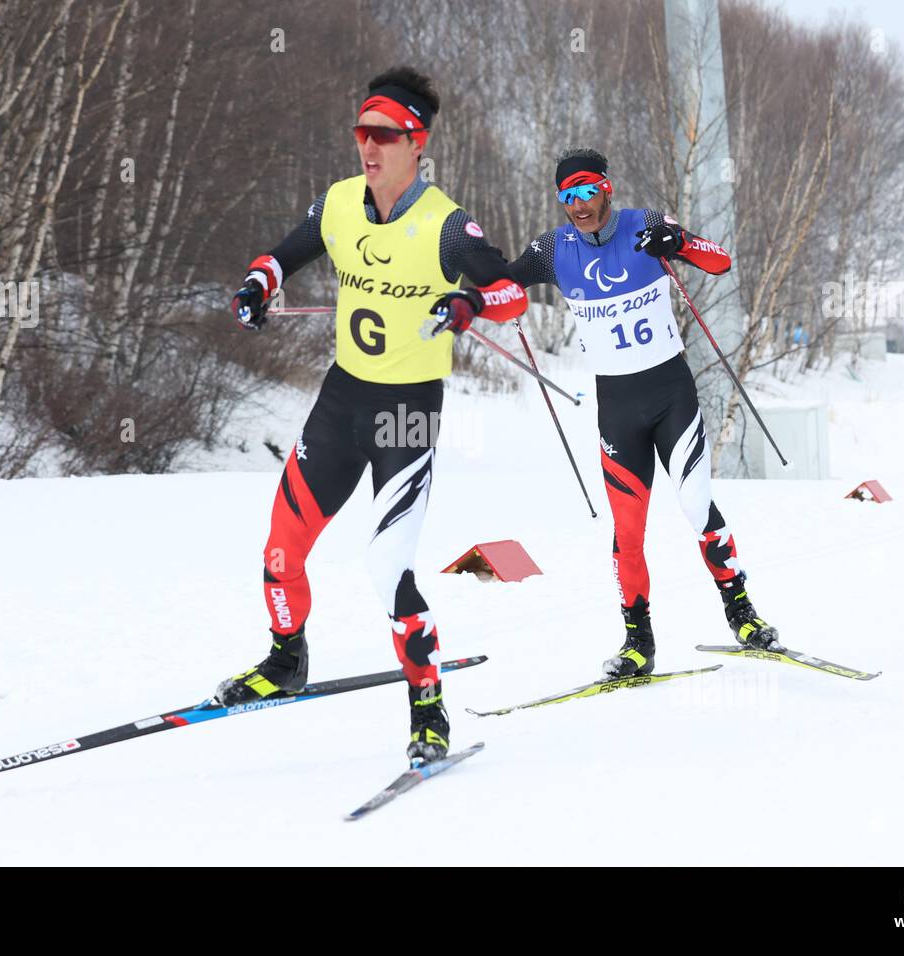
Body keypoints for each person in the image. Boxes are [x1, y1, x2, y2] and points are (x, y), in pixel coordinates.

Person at [215, 67, 528, 764]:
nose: (370, 145)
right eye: (363, 131)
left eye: (385, 134)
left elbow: (510, 290)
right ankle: (284, 660)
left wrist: (470, 304)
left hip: (407, 414)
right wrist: (257, 285)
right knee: (279, 549)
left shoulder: (446, 225)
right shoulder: (339, 204)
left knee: (387, 565)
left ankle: (428, 712)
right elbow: (283, 254)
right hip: (341, 402)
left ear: (417, 142)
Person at [507, 148, 779, 677]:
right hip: (617, 409)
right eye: (568, 195)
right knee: (627, 533)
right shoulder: (551, 249)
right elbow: (500, 283)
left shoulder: (645, 225)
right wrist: (463, 285)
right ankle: (638, 643)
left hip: (670, 394)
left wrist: (679, 242)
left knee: (697, 504)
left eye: (587, 190)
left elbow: (719, 261)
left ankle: (742, 613)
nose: (579, 204)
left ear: (606, 187)